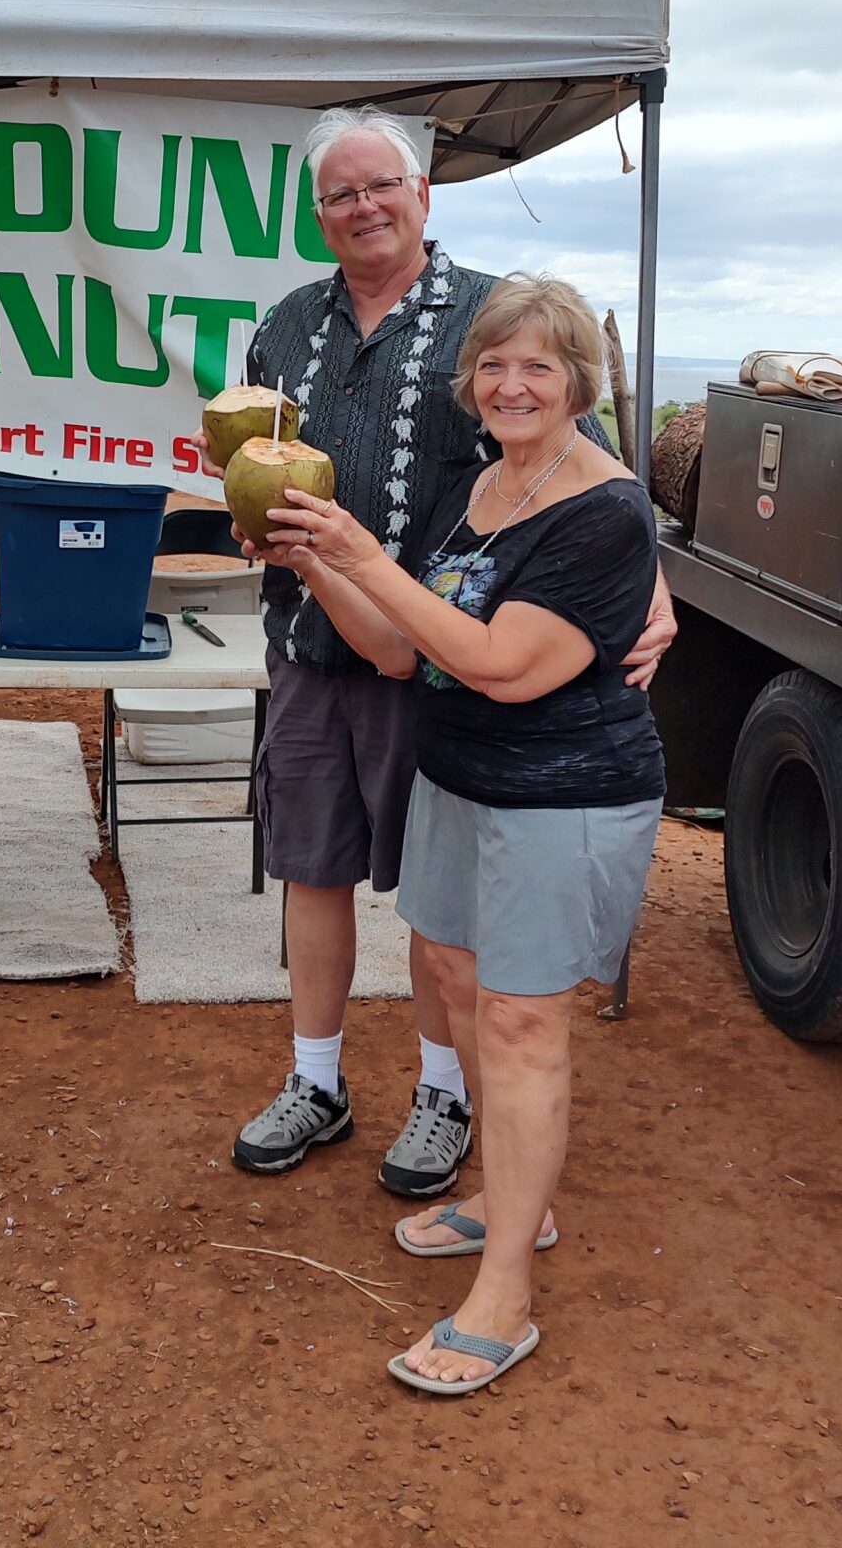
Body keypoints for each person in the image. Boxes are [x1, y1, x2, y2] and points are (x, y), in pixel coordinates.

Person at [219, 104, 673, 1198]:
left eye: (381, 185)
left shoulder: (487, 317)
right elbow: (254, 457)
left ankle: (444, 1094)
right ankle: (315, 1081)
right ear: (318, 213)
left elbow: (583, 465)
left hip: (442, 658)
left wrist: (649, 589)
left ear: (422, 194)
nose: (363, 207)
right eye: (340, 193)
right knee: (311, 865)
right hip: (309, 635)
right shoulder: (286, 326)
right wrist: (258, 521)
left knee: (439, 914)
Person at [255, 273, 667, 1395]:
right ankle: (507, 1199)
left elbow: (498, 665)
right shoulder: (480, 487)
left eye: (538, 365)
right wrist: (314, 561)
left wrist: (359, 550)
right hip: (457, 778)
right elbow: (402, 650)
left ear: (580, 382)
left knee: (523, 1022)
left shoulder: (605, 512)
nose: (511, 384)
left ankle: (505, 1298)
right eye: (493, 364)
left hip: (562, 796)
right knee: (448, 970)